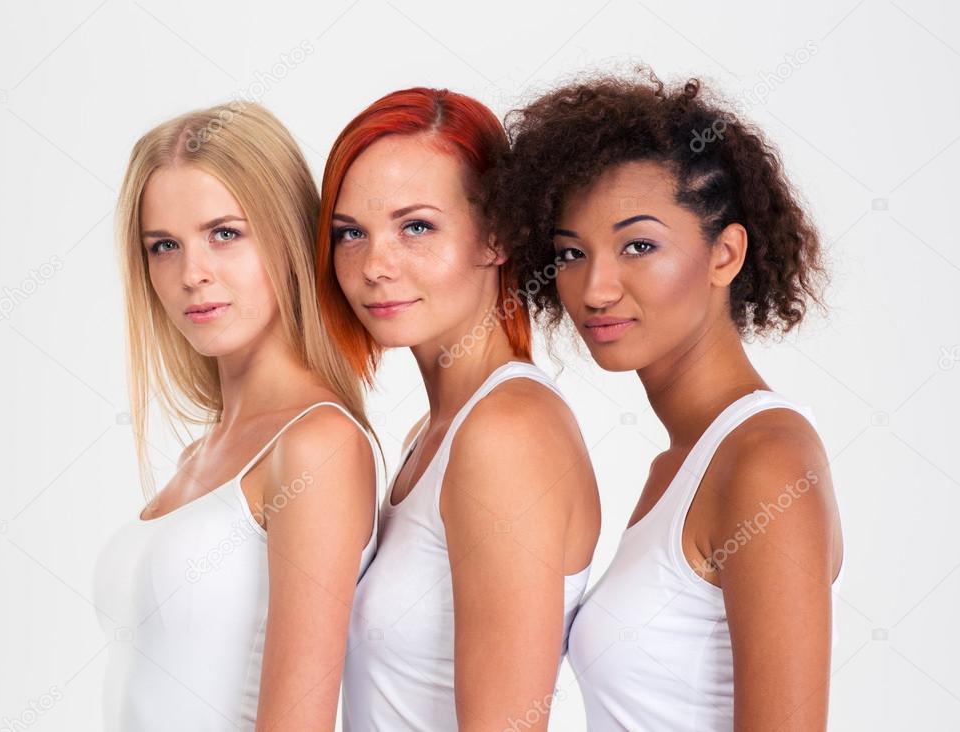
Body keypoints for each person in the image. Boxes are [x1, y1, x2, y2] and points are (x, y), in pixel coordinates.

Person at [489, 71, 845, 731]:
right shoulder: (680, 465)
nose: (594, 289)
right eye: (569, 252)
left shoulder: (766, 462)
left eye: (638, 246)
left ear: (725, 253)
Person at [316, 87, 601, 731]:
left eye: (416, 226)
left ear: (496, 236)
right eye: (350, 233)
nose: (375, 265)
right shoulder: (435, 432)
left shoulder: (507, 431)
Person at [93, 101, 382, 731]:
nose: (193, 274)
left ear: (285, 239)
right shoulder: (201, 454)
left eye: (225, 233)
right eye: (164, 246)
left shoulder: (317, 446)